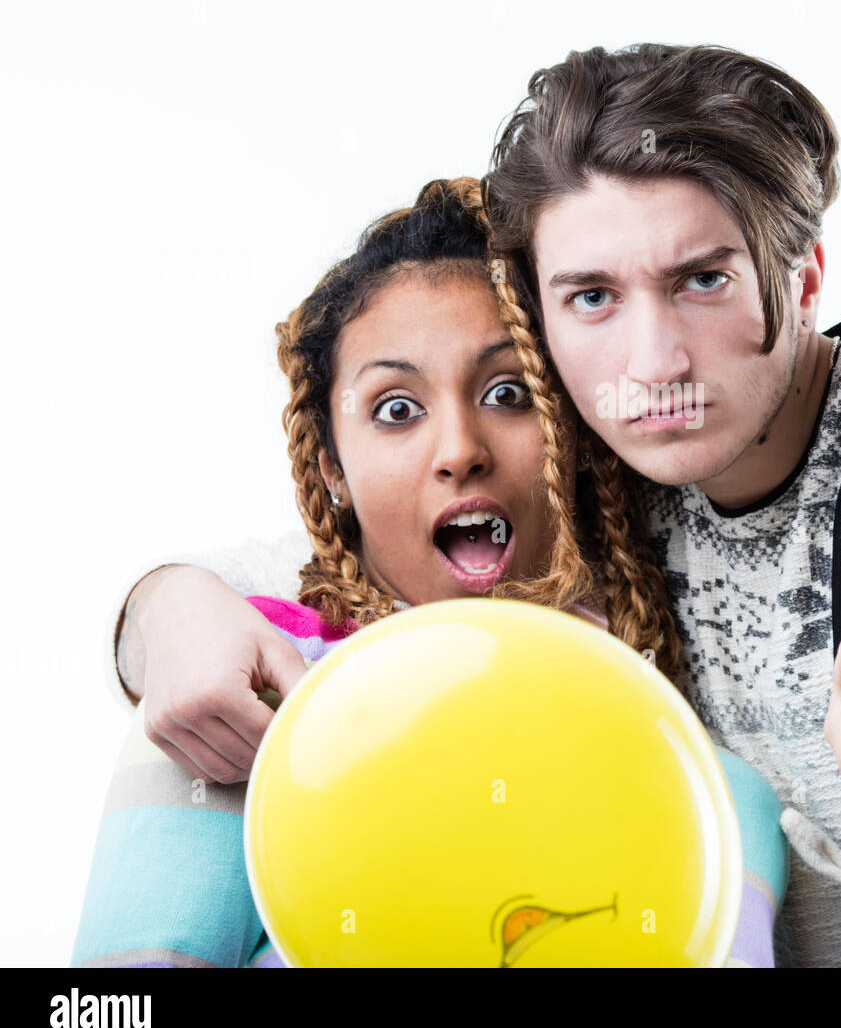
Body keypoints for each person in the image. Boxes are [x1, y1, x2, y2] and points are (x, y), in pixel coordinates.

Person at [108, 45, 841, 969]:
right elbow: (340, 573)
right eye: (592, 297)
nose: (651, 358)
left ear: (805, 275)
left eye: (702, 278)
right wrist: (169, 613)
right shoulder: (631, 470)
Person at [73, 177, 787, 968]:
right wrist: (164, 601)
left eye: (511, 392)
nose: (460, 450)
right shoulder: (232, 705)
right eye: (396, 409)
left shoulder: (709, 787)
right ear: (331, 467)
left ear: (577, 431)